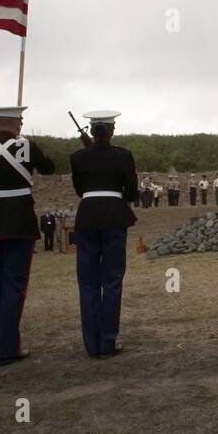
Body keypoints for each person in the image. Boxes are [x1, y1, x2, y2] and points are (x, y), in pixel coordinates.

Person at [0, 105, 56, 367]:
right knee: (14, 285)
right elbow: (49, 168)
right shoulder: (27, 146)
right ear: (19, 124)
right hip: (18, 220)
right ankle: (7, 348)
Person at [70, 110, 139, 358]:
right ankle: (108, 341)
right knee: (111, 281)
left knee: (88, 283)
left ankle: (92, 344)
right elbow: (131, 192)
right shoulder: (123, 155)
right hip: (114, 217)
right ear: (112, 131)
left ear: (90, 131)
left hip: (87, 217)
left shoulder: (77, 157)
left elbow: (80, 189)